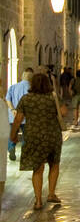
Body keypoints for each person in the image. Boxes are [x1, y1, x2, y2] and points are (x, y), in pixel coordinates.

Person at [10, 70, 64, 210]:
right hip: (52, 135)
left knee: (38, 168)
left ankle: (38, 201)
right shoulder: (52, 97)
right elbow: (63, 112)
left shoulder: (26, 99)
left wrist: (13, 134)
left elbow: (18, 119)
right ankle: (51, 194)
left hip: (34, 136)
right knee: (54, 164)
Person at [6, 68, 33, 161]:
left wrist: (12, 109)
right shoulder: (32, 88)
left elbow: (8, 99)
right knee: (27, 136)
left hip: (13, 116)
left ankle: (11, 148)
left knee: (12, 134)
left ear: (22, 76)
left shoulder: (12, 87)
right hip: (27, 117)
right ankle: (25, 153)